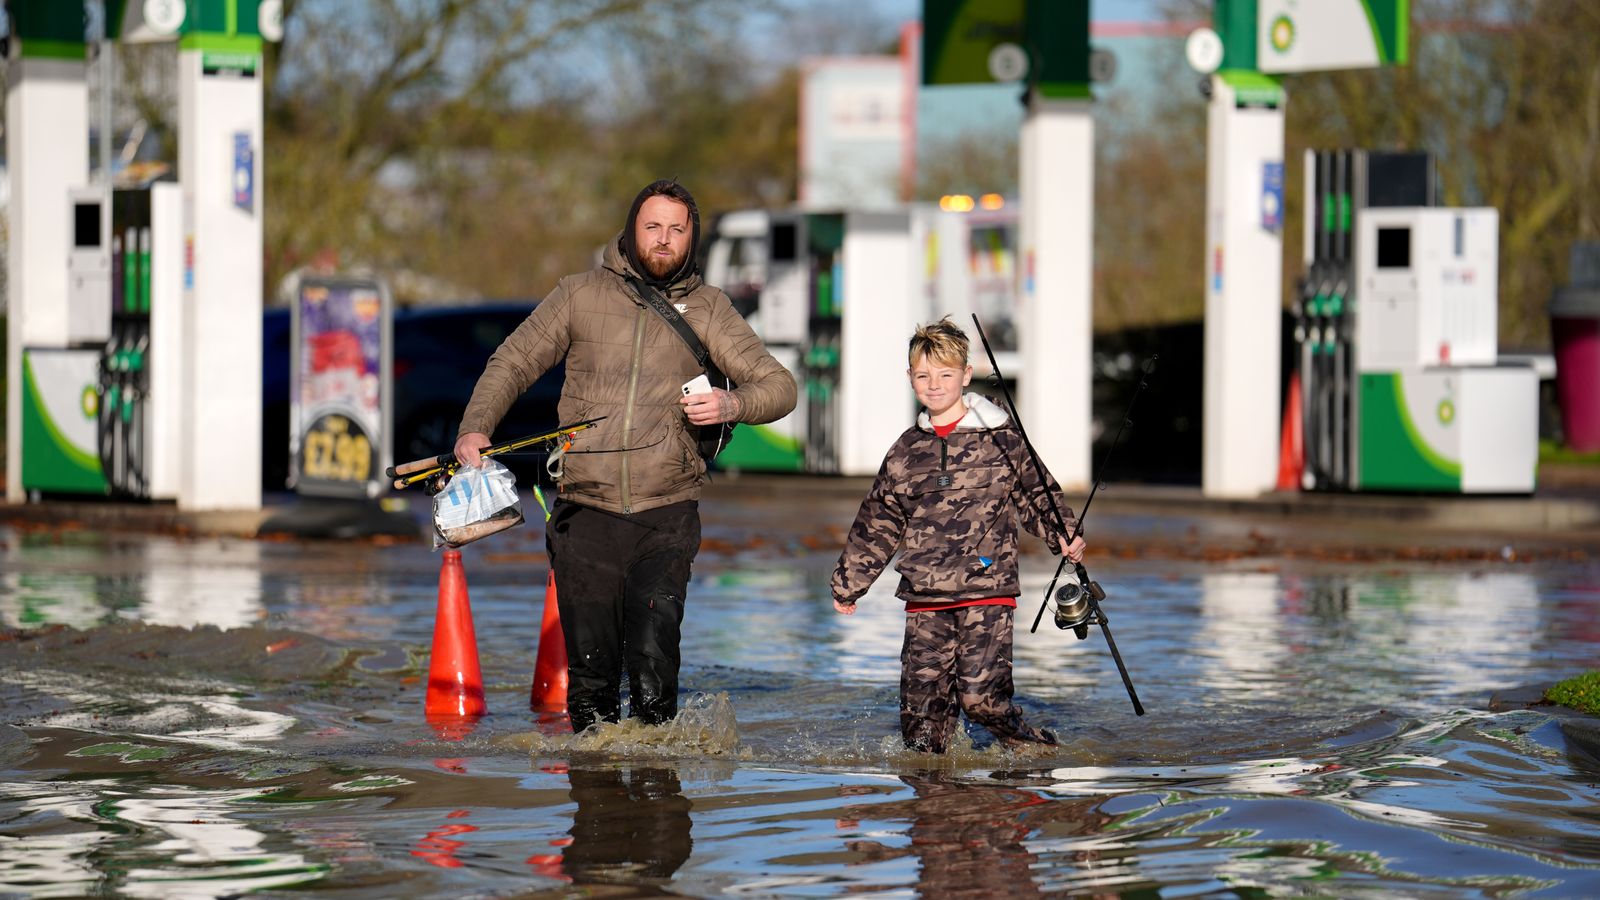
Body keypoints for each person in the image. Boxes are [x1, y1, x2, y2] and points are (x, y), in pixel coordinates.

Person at [453, 179, 797, 733]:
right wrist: (475, 429)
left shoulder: (709, 309)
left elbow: (780, 387)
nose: (663, 240)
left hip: (667, 511)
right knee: (591, 683)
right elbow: (512, 361)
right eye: (652, 227)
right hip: (585, 510)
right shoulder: (579, 293)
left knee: (653, 665)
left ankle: (659, 802)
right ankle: (599, 807)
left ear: (692, 238)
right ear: (632, 230)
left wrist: (732, 402)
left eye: (676, 230)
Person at [829, 317, 1084, 754]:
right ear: (910, 379)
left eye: (945, 374)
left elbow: (1036, 493)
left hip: (987, 590)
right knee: (921, 727)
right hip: (925, 598)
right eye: (924, 375)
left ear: (965, 375)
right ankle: (936, 808)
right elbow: (879, 520)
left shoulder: (1001, 439)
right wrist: (849, 585)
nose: (934, 385)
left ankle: (1035, 750)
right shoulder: (905, 450)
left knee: (981, 701)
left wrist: (1063, 534)